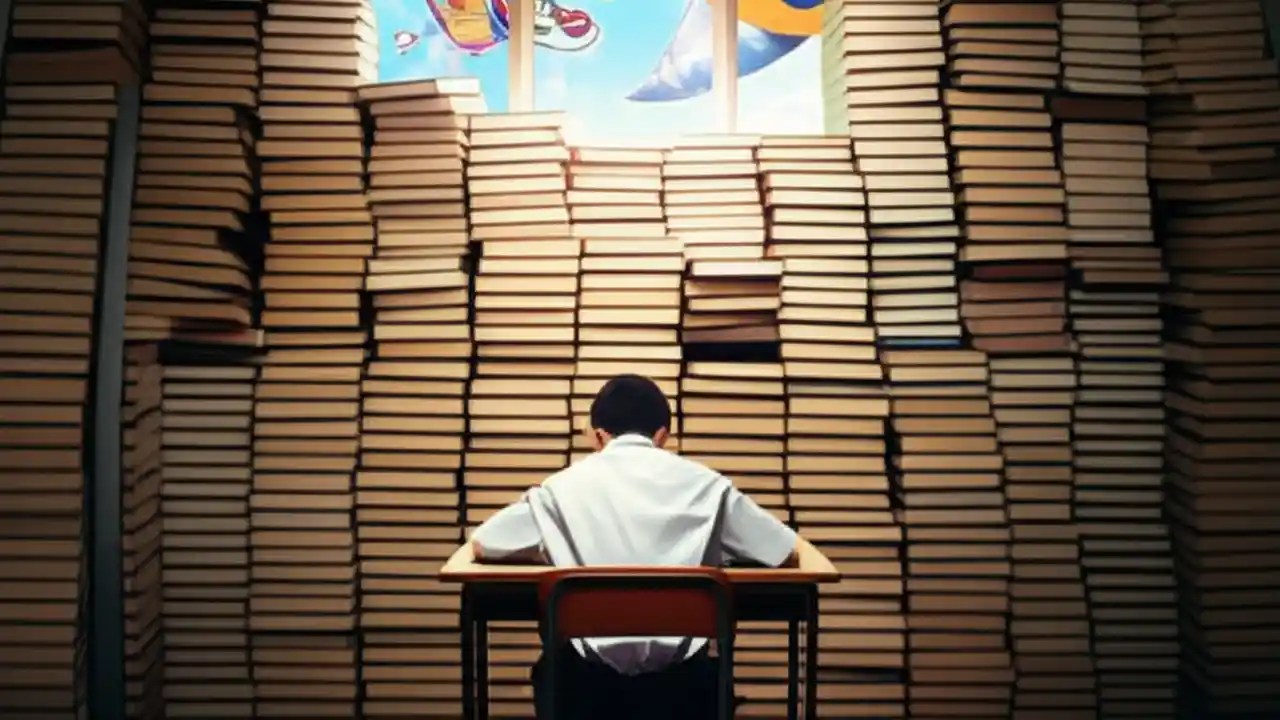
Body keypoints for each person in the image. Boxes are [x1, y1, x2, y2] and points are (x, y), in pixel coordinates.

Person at [470, 373, 802, 720]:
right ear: (663, 435)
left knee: (556, 667)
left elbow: (482, 545)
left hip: (582, 695)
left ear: (598, 436)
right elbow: (786, 551)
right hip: (685, 697)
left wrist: (553, 544)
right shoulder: (710, 487)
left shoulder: (557, 491)